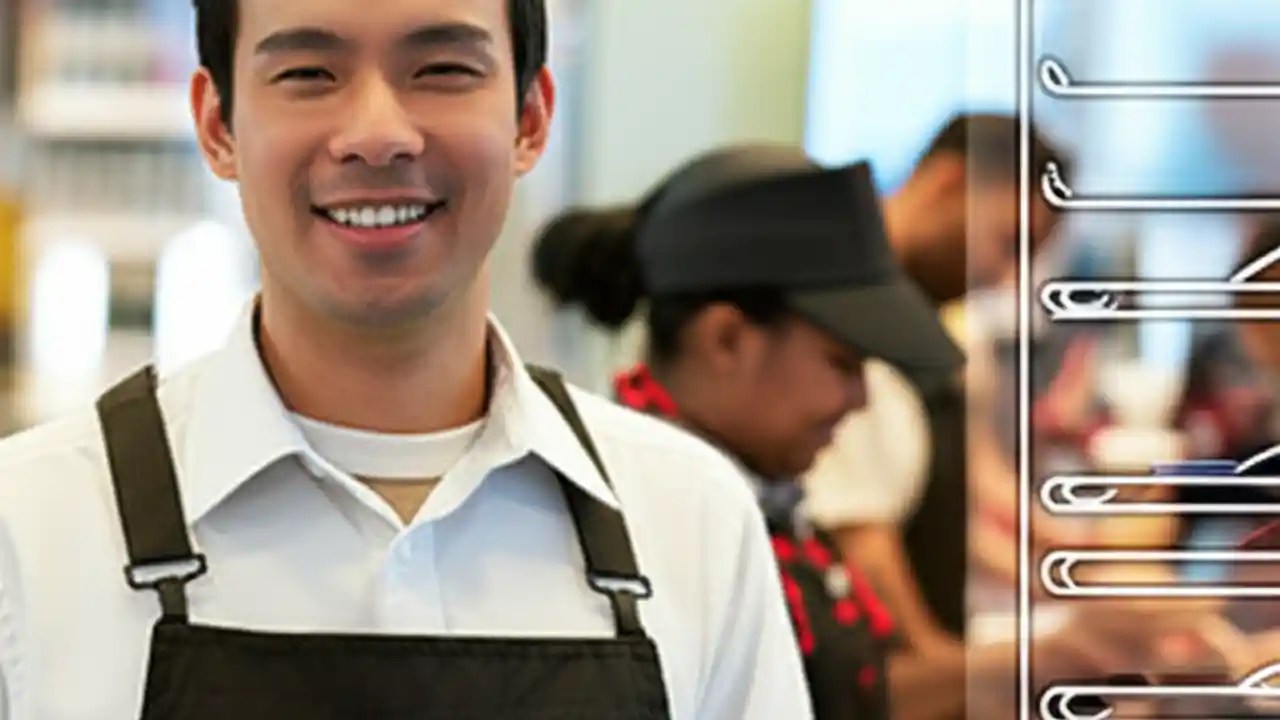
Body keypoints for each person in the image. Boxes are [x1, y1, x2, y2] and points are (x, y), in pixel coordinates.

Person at [0, 2, 813, 718]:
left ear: (530, 118)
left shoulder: (690, 519)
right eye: (310, 72)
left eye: (443, 69)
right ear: (219, 126)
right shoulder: (33, 528)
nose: (377, 134)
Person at [532, 143, 1219, 720]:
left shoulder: (759, 492)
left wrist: (1064, 650)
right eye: (842, 363)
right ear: (728, 338)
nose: (860, 400)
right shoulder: (644, 529)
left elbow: (847, 687)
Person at [802, 113, 1074, 647]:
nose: (1006, 277)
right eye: (1010, 242)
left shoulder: (937, 331)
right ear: (950, 182)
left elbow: (959, 504)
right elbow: (877, 591)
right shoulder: (834, 322)